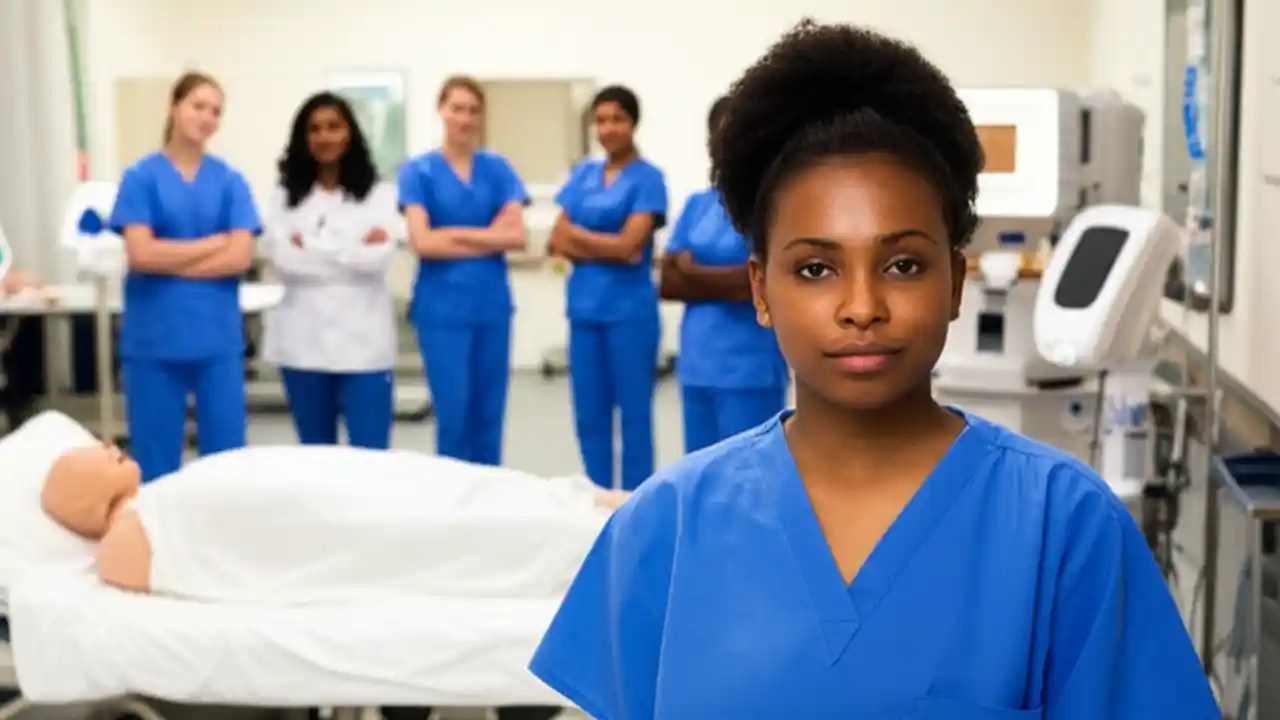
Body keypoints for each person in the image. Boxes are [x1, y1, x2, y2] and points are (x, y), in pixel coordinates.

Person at [528, 21, 1219, 718]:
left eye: (903, 264)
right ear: (762, 291)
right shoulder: (665, 530)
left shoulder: (1062, 528)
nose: (862, 306)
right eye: (817, 268)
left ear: (955, 279)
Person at [108, 72, 261, 483]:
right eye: (198, 105)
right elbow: (140, 254)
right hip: (155, 340)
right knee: (155, 461)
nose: (207, 117)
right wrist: (214, 243)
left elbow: (241, 256)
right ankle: (156, 544)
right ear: (174, 107)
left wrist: (169, 257)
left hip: (216, 340)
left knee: (226, 462)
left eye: (216, 111)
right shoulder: (140, 177)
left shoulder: (230, 181)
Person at [398, 75, 530, 466]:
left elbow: (517, 235)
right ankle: (452, 505)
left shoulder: (497, 168)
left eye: (473, 110)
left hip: (490, 307)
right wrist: (488, 234)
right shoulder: (418, 172)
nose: (464, 118)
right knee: (453, 414)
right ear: (441, 110)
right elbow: (423, 242)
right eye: (457, 108)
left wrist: (451, 233)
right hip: (442, 311)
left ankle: (488, 503)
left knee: (488, 414)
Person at [262, 92, 400, 449]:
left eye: (334, 127)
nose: (325, 137)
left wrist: (311, 246)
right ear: (303, 138)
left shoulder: (379, 195)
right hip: (303, 346)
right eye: (315, 129)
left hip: (365, 347)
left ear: (349, 133)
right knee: (314, 459)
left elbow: (379, 259)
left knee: (372, 458)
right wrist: (351, 248)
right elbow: (283, 261)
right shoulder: (283, 197)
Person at [549, 85, 668, 491]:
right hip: (584, 313)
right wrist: (610, 246)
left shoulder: (649, 179)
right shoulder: (583, 174)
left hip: (629, 315)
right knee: (589, 415)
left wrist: (581, 240)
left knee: (634, 415)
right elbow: (556, 238)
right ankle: (595, 500)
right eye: (600, 120)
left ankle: (637, 503)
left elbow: (630, 247)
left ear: (633, 123)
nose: (608, 128)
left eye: (617, 118)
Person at [659, 96, 789, 453]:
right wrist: (726, 278)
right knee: (700, 472)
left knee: (750, 473)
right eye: (718, 133)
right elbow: (668, 283)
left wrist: (692, 273)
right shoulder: (698, 204)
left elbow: (759, 284)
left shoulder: (771, 205)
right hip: (697, 364)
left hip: (749, 367)